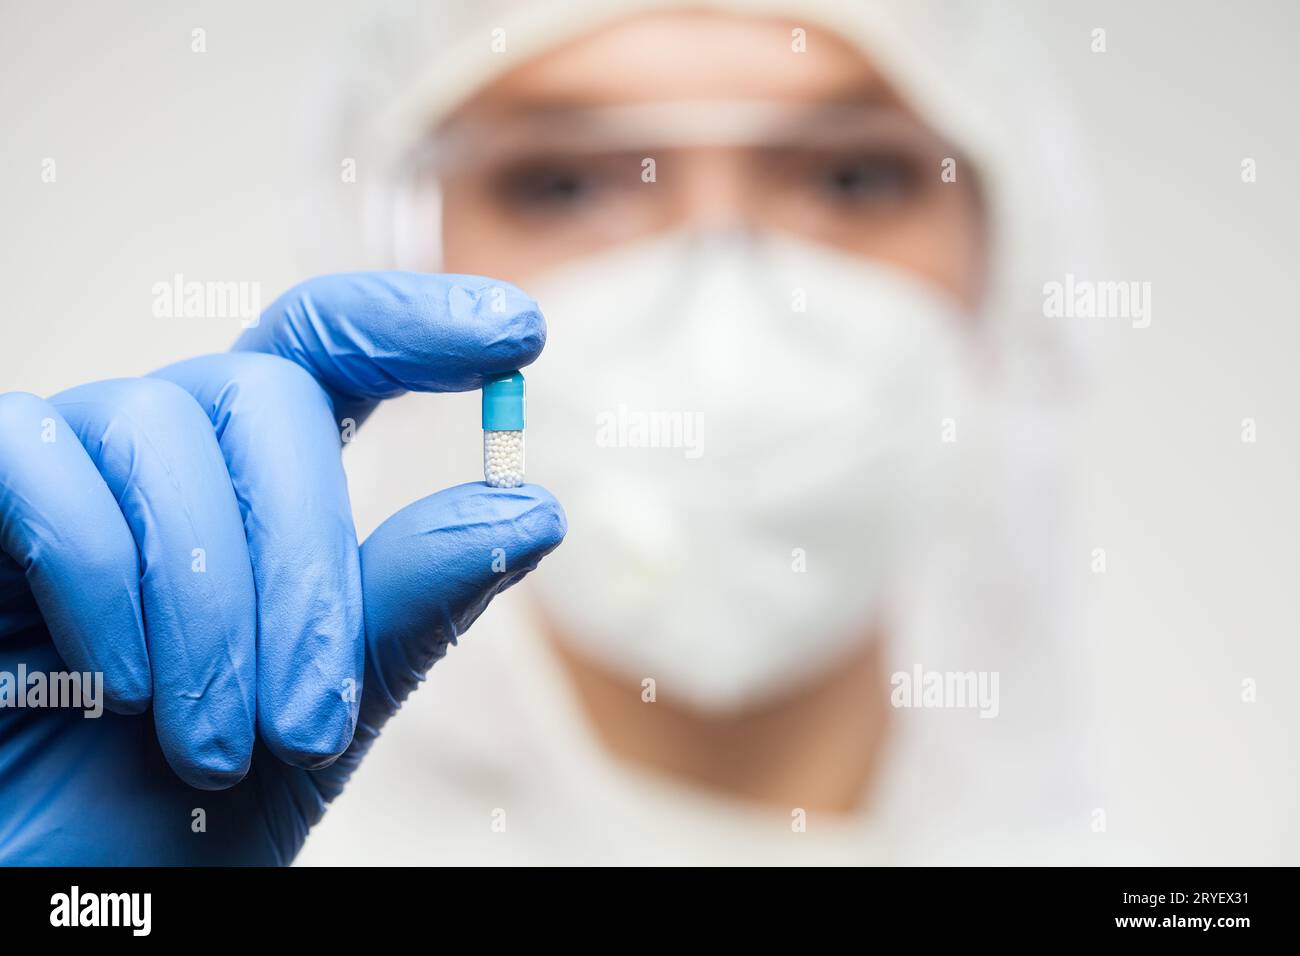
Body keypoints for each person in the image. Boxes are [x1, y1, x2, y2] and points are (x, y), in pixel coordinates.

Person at [0, 1, 1099, 865]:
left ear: (1009, 264)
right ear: (395, 243)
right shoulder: (240, 830)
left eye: (853, 174)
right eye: (561, 182)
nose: (719, 303)